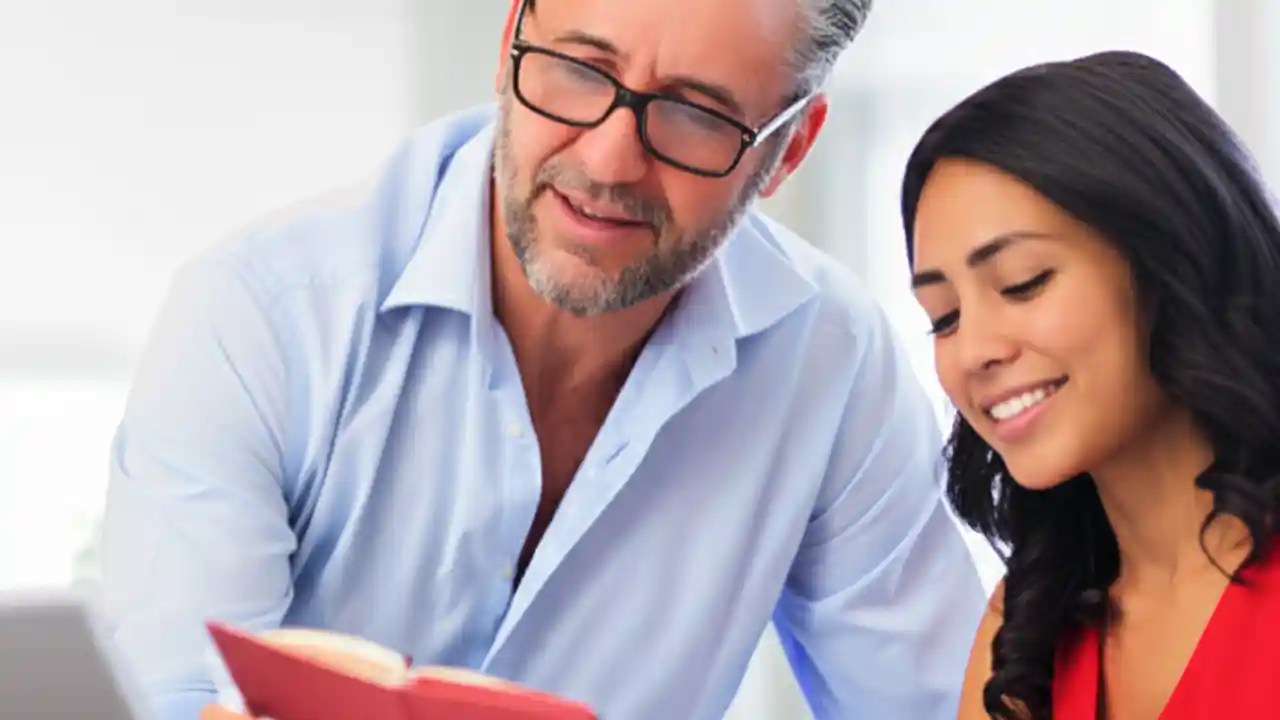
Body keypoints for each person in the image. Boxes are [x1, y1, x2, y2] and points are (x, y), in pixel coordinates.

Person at [101, 0, 985, 718]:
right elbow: (177, 701)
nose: (608, 160)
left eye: (695, 113)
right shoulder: (261, 314)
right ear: (509, 42)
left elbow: (932, 707)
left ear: (788, 149)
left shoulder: (831, 363)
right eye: (580, 69)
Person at [902, 50, 1280, 720]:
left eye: (1023, 283)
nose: (976, 352)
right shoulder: (1023, 637)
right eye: (945, 317)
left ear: (1170, 259)